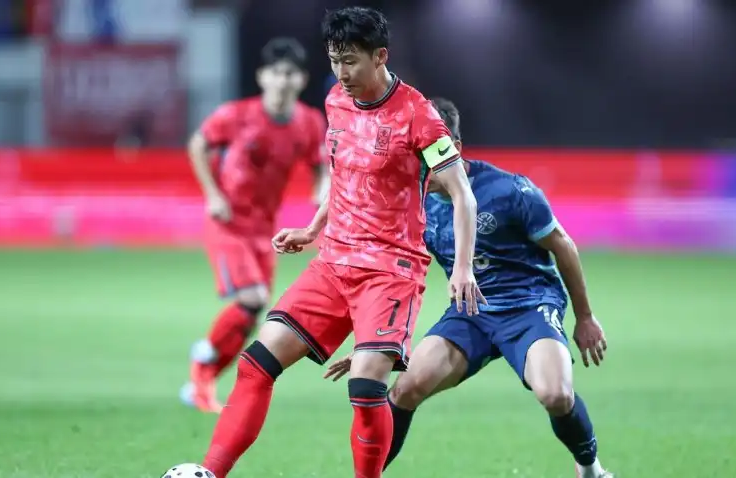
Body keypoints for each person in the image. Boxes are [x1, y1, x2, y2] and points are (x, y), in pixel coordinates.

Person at [199, 7, 484, 478]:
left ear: (381, 56)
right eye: (334, 60)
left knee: (366, 386)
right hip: (333, 263)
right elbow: (344, 176)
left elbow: (463, 195)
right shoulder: (336, 101)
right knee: (255, 363)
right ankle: (209, 472)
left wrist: (463, 268)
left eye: (350, 60)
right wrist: (314, 228)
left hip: (390, 271)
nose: (342, 73)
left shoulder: (418, 115)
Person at [324, 99, 614, 478]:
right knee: (404, 389)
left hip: (528, 306)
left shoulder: (511, 191)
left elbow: (563, 245)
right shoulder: (415, 205)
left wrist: (585, 316)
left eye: (426, 151)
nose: (418, 163)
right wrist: (373, 341)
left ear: (455, 149)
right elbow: (393, 274)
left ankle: (590, 469)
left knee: (555, 395)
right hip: (470, 312)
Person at [183, 37, 329, 413]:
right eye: (277, 73)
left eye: (291, 74)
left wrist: (320, 191)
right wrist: (213, 195)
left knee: (251, 315)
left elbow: (321, 164)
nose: (283, 81)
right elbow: (198, 144)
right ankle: (201, 365)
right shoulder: (235, 115)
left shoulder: (309, 123)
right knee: (253, 300)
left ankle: (201, 381)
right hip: (229, 223)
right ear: (263, 76)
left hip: (266, 230)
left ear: (301, 80)